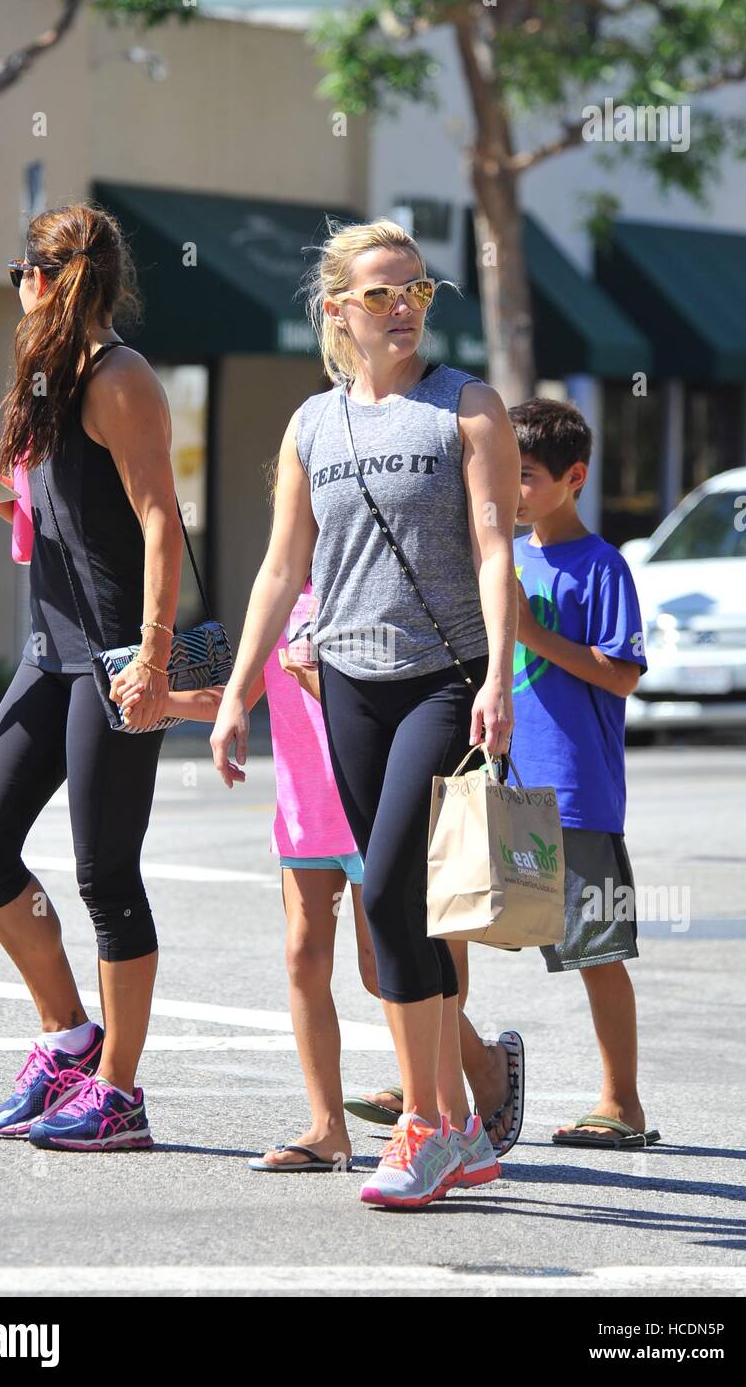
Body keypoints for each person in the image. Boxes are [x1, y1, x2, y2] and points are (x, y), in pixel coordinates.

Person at [207, 216, 520, 1208]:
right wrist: (233, 692)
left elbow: (494, 552)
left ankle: (425, 1124)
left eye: (417, 290)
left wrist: (497, 678)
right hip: (344, 679)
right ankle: (455, 1129)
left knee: (388, 886)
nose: (402, 307)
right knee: (403, 902)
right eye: (381, 292)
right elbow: (279, 567)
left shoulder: (465, 408)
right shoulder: (312, 423)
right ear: (338, 309)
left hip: (442, 672)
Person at [0, 203, 181, 1151]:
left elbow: (161, 518)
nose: (18, 288)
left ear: (45, 279)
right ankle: (70, 1034)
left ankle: (119, 1090)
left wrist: (154, 657)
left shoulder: (119, 379)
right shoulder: (51, 375)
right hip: (52, 648)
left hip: (118, 654)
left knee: (105, 875)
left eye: (19, 273)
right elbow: (56, 519)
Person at [116, 572, 381, 1172]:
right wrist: (159, 704)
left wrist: (316, 679)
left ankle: (475, 1071)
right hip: (306, 811)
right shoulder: (281, 601)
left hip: (369, 802)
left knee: (384, 970)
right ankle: (327, 1129)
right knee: (303, 957)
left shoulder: (366, 587)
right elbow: (233, 694)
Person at [508, 397, 659, 1149]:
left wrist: (534, 632)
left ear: (574, 478)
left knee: (595, 952)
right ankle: (433, 1079)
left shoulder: (603, 566)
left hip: (576, 797)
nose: (512, 489)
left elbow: (622, 674)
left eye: (527, 475)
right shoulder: (498, 557)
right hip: (502, 795)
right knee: (447, 931)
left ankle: (621, 1102)